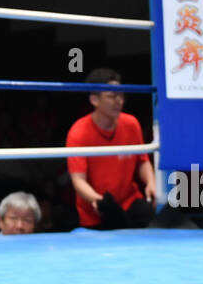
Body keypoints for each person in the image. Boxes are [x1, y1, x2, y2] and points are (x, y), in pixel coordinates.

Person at [65, 68, 155, 230]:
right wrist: (99, 201)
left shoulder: (131, 124)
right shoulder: (78, 132)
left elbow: (142, 161)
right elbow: (78, 181)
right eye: (112, 96)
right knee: (111, 214)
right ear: (94, 100)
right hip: (96, 210)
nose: (119, 100)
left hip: (129, 201)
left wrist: (151, 182)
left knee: (150, 218)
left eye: (121, 95)